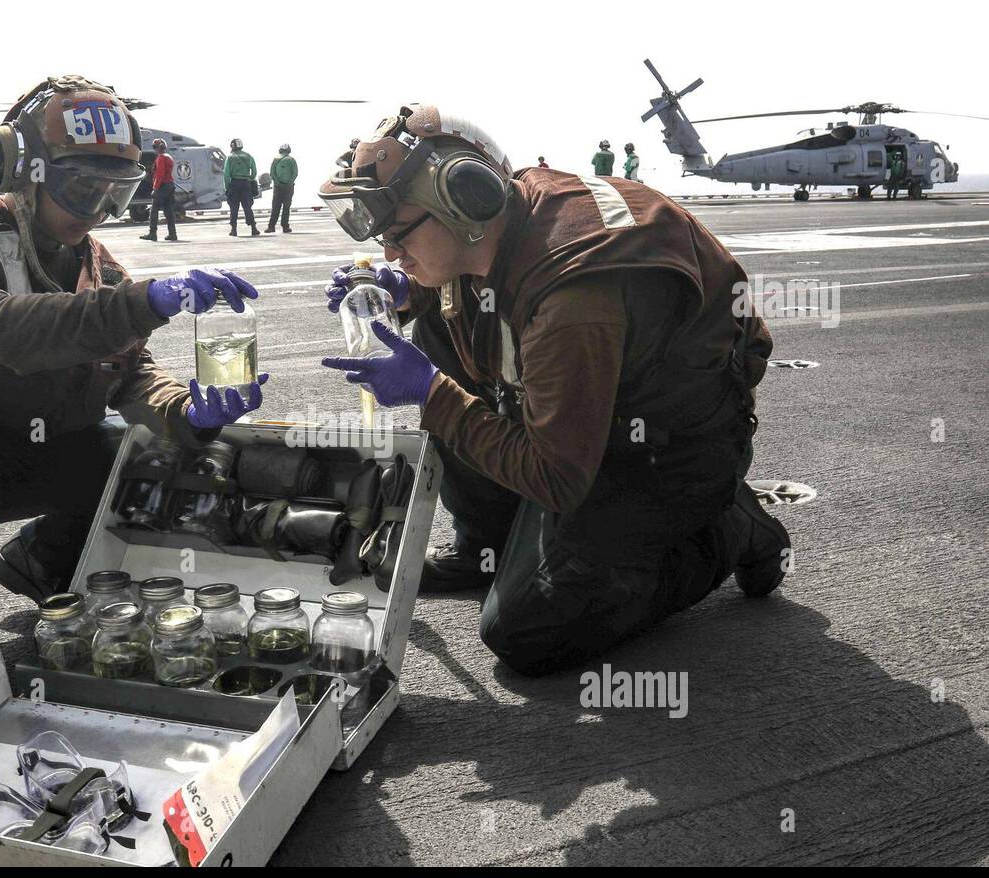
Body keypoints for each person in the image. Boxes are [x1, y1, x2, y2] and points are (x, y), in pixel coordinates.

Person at [0, 76, 266, 713]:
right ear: (20, 172)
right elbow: (6, 329)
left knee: (134, 448)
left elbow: (131, 373)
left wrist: (186, 412)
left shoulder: (98, 263)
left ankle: (44, 560)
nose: (96, 208)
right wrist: (145, 301)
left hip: (38, 450)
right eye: (81, 186)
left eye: (117, 192)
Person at [317, 105, 789, 676]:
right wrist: (406, 289)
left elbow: (558, 479)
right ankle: (484, 544)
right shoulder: (508, 210)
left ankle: (727, 529)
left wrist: (430, 394)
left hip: (667, 453)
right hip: (601, 410)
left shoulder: (574, 297)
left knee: (526, 630)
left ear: (463, 199)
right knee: (434, 327)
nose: (390, 251)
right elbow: (485, 277)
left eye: (399, 235)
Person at [141, 137, 179, 241]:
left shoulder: (161, 158)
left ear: (158, 147)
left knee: (154, 209)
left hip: (163, 186)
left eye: (154, 147)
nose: (155, 149)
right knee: (168, 211)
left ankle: (152, 233)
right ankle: (173, 234)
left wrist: (155, 188)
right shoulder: (169, 157)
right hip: (169, 185)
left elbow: (160, 174)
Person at [224, 138, 260, 236]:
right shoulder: (248, 156)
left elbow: (226, 174)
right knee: (248, 207)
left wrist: (227, 187)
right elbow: (254, 171)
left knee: (234, 208)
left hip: (234, 184)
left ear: (232, 146)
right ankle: (253, 228)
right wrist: (250, 179)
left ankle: (234, 230)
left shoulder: (230, 157)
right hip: (246, 184)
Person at [266, 144, 298, 234]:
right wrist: (289, 182)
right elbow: (295, 173)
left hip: (278, 187)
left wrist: (277, 182)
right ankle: (285, 227)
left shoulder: (276, 159)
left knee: (275, 207)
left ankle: (271, 227)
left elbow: (272, 173)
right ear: (288, 150)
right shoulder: (292, 160)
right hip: (289, 187)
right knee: (286, 208)